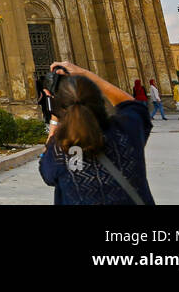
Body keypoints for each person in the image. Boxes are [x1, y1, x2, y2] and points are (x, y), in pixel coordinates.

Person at [38, 61, 154, 205]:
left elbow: (47, 173)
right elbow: (132, 105)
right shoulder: (125, 132)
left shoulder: (59, 151)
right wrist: (85, 74)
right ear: (99, 100)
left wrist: (55, 118)